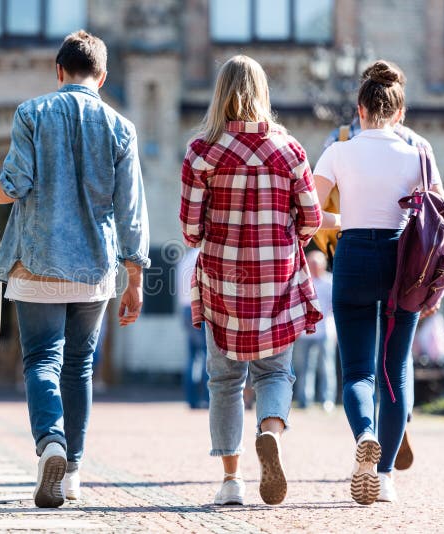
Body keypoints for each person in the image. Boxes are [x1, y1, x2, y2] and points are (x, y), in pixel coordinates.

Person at [0, 30, 149, 509]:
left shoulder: (32, 113)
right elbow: (131, 209)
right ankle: (72, 474)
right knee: (80, 366)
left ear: (58, 70)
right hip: (94, 266)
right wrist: (135, 276)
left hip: (37, 263)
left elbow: (17, 183)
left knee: (41, 360)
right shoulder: (121, 127)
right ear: (103, 77)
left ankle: (50, 441)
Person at [180, 55, 323, 506]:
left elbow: (189, 229)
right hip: (276, 279)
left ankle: (231, 481)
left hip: (224, 279)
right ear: (262, 92)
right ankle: (271, 430)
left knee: (224, 382)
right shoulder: (290, 150)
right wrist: (283, 235)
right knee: (276, 371)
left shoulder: (202, 152)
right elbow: (312, 219)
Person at [313, 60, 444, 505]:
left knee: (356, 370)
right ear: (400, 111)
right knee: (396, 368)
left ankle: (363, 435)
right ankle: (385, 474)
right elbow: (439, 220)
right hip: (401, 265)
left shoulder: (339, 150)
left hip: (352, 257)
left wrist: (347, 215)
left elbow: (311, 215)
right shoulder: (418, 152)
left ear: (360, 109)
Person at [293, 250, 337, 412]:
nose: (313, 267)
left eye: (316, 264)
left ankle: (327, 400)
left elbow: (334, 309)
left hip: (325, 331)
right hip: (303, 332)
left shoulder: (330, 282)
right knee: (303, 368)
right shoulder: (303, 281)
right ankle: (305, 399)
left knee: (326, 367)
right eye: (311, 264)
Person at [177, 247, 209, 409]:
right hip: (200, 306)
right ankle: (209, 398)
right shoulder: (204, 256)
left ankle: (192, 398)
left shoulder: (185, 258)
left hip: (184, 307)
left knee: (192, 355)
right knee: (208, 353)